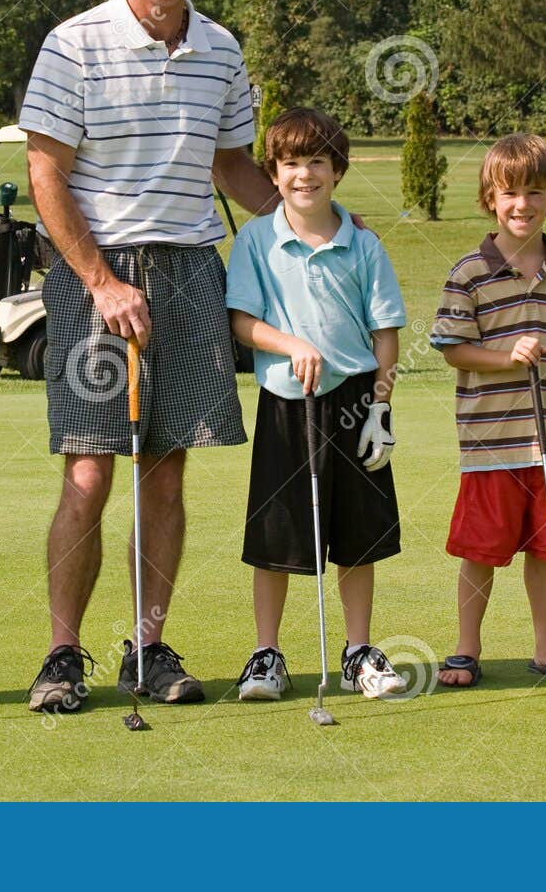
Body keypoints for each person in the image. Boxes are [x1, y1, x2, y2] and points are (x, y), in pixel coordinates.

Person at [19, 0, 278, 713]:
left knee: (166, 479)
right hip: (97, 273)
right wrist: (100, 281)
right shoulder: (75, 44)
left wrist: (310, 224)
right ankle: (63, 654)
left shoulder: (221, 48)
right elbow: (44, 171)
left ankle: (149, 645)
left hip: (192, 270)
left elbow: (232, 164)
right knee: (90, 474)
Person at [224, 108, 409, 701]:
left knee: (358, 532)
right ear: (273, 174)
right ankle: (267, 654)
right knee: (276, 535)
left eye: (317, 162)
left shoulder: (363, 243)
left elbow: (385, 333)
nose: (305, 174)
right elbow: (243, 322)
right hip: (285, 400)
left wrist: (381, 406)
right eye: (291, 163)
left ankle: (358, 651)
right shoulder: (255, 239)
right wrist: (291, 344)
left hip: (354, 399)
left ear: (338, 170)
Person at [430, 133, 546, 689]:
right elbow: (453, 349)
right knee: (481, 550)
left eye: (535, 192)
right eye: (510, 192)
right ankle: (466, 647)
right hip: (491, 441)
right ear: (490, 197)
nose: (522, 204)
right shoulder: (470, 272)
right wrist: (506, 357)